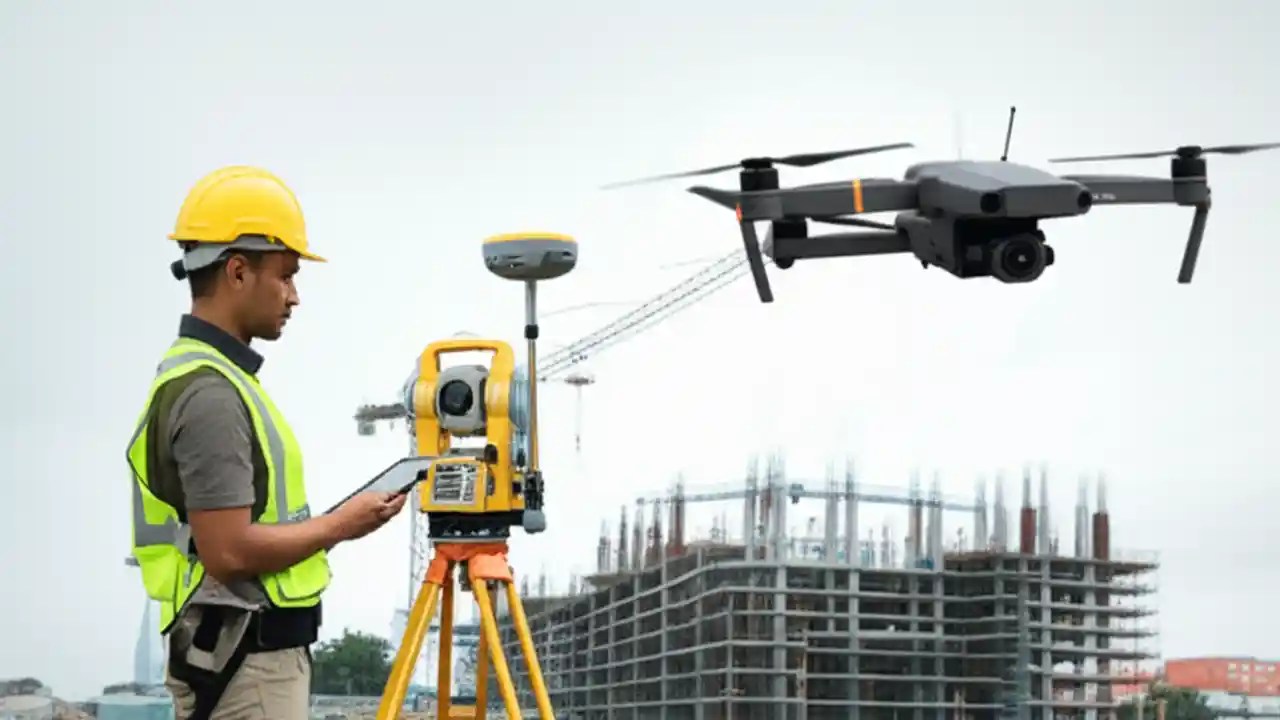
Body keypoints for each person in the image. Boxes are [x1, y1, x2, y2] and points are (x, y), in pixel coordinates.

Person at [125, 165, 408, 719]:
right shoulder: (210, 394)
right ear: (236, 272)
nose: (294, 296)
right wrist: (342, 525)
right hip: (245, 666)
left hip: (244, 657)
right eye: (285, 275)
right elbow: (228, 550)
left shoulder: (220, 381)